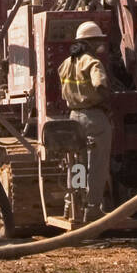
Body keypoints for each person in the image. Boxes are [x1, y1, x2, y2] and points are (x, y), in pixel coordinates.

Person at [57, 20, 112, 223]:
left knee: (77, 164)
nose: (100, 44)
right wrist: (107, 100)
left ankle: (72, 203)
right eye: (97, 41)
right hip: (94, 118)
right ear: (90, 42)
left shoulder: (67, 63)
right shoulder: (92, 62)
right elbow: (100, 85)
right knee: (97, 164)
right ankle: (92, 208)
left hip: (74, 118)